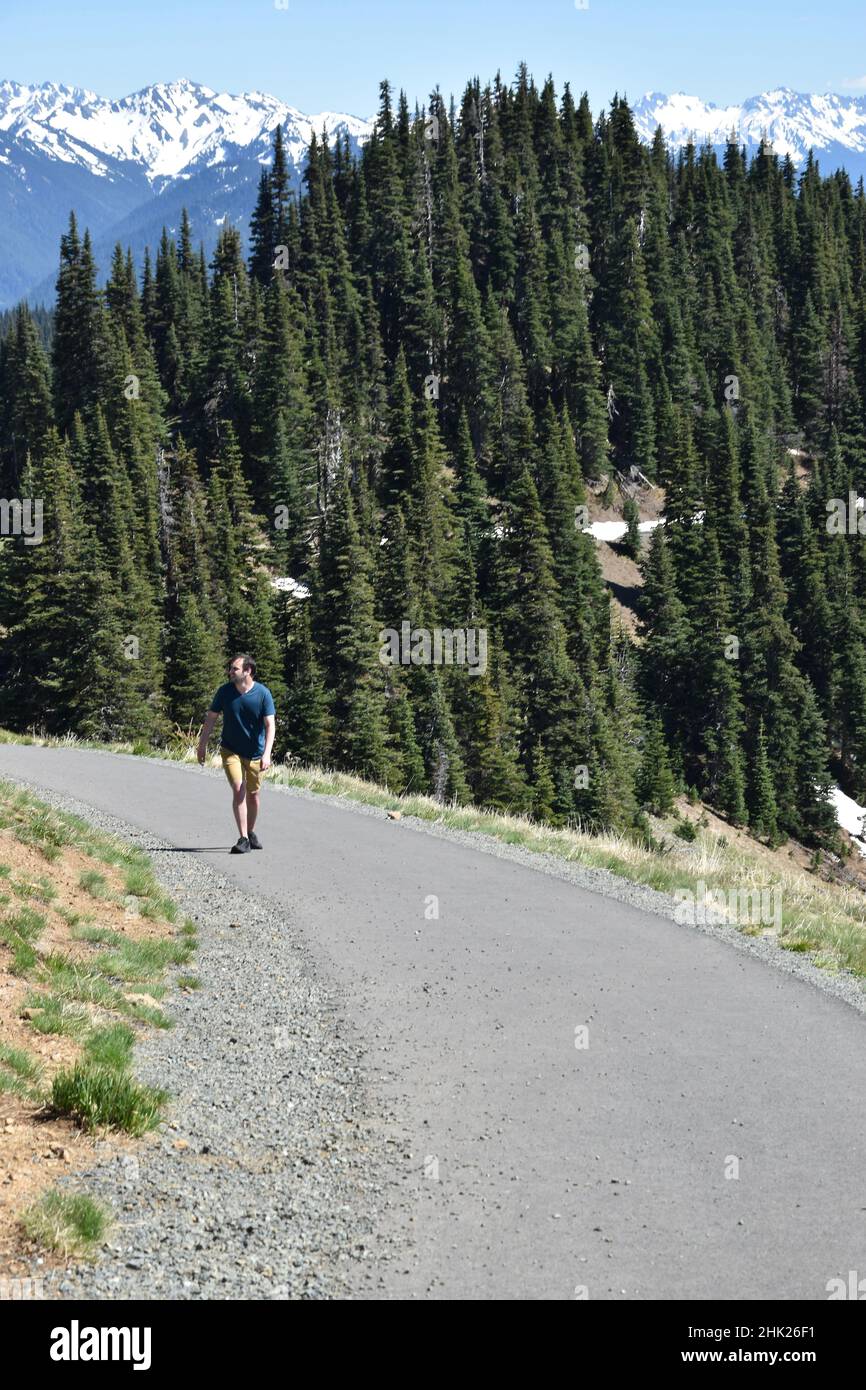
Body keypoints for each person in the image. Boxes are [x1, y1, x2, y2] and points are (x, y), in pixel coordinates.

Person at [197, 653, 276, 854]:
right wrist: (202, 745)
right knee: (239, 789)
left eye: (235, 669)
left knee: (253, 795)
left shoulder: (263, 693)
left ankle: (250, 832)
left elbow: (270, 725)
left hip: (255, 754)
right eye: (231, 668)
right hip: (230, 750)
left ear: (248, 671)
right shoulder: (224, 692)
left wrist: (267, 754)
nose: (230, 672)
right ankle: (242, 839)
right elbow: (211, 719)